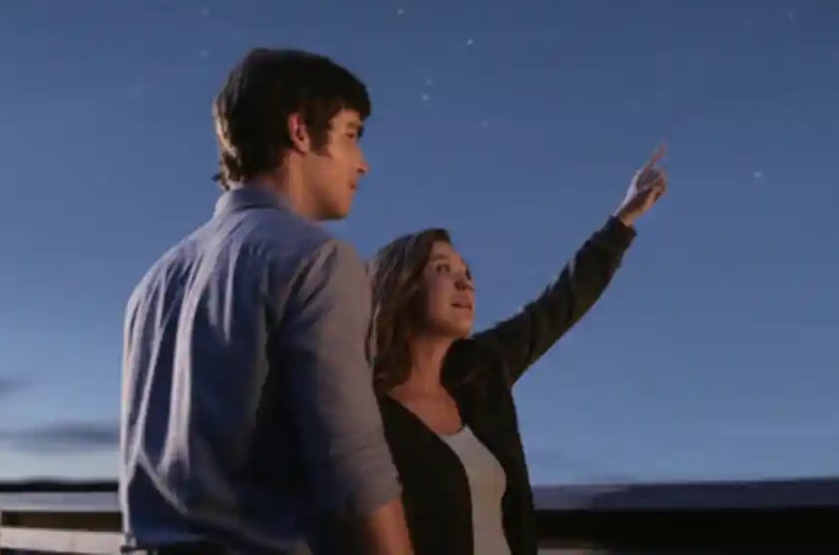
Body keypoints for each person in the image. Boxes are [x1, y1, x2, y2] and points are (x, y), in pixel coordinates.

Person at [119, 48, 413, 554]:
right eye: (350, 134)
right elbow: (353, 469)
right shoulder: (316, 259)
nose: (362, 163)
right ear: (300, 131)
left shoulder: (152, 283)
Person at [368, 146, 669, 555]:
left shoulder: (480, 370)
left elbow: (561, 302)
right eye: (443, 270)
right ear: (400, 286)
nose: (465, 284)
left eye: (467, 274)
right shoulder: (363, 413)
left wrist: (625, 218)